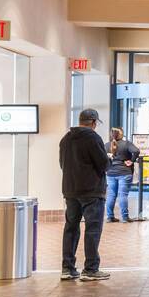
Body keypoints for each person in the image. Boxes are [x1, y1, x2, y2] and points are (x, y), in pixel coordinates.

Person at [58, 108, 111, 281]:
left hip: (70, 190)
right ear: (94, 122)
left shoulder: (65, 139)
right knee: (92, 229)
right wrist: (109, 158)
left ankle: (67, 268)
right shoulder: (93, 138)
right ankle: (90, 269)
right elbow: (103, 164)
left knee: (71, 228)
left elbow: (62, 164)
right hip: (91, 191)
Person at [105, 127, 139, 223]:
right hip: (124, 172)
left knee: (111, 195)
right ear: (120, 134)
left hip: (111, 173)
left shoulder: (106, 145)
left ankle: (110, 217)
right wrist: (131, 161)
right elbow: (136, 151)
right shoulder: (126, 144)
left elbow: (103, 157)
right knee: (123, 195)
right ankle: (125, 217)